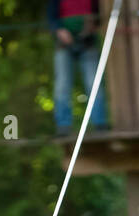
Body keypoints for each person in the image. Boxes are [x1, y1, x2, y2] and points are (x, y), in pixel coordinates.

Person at [47, 0, 109, 135]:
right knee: (62, 84)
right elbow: (51, 17)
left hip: (88, 42)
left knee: (94, 82)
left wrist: (92, 25)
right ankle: (63, 127)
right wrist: (60, 30)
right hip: (63, 44)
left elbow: (98, 15)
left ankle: (100, 124)